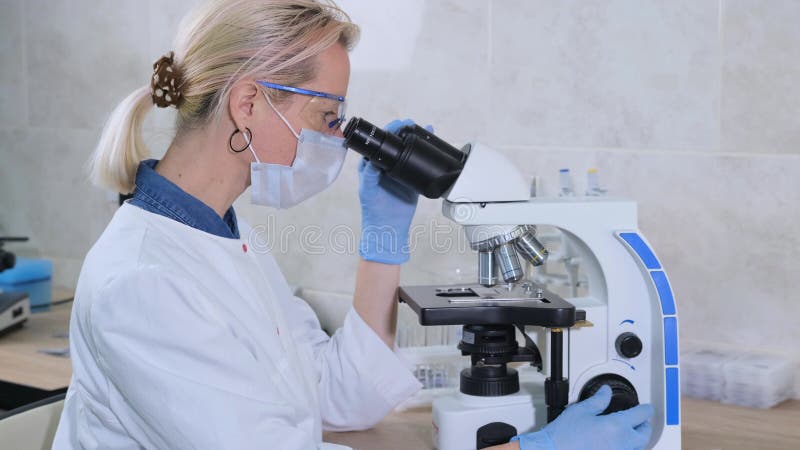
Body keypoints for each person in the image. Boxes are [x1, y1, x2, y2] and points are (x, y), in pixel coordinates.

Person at [52, 0, 653, 449]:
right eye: (328, 114)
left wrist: (383, 241)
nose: (339, 138)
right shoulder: (144, 284)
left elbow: (339, 396)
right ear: (247, 104)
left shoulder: (225, 237)